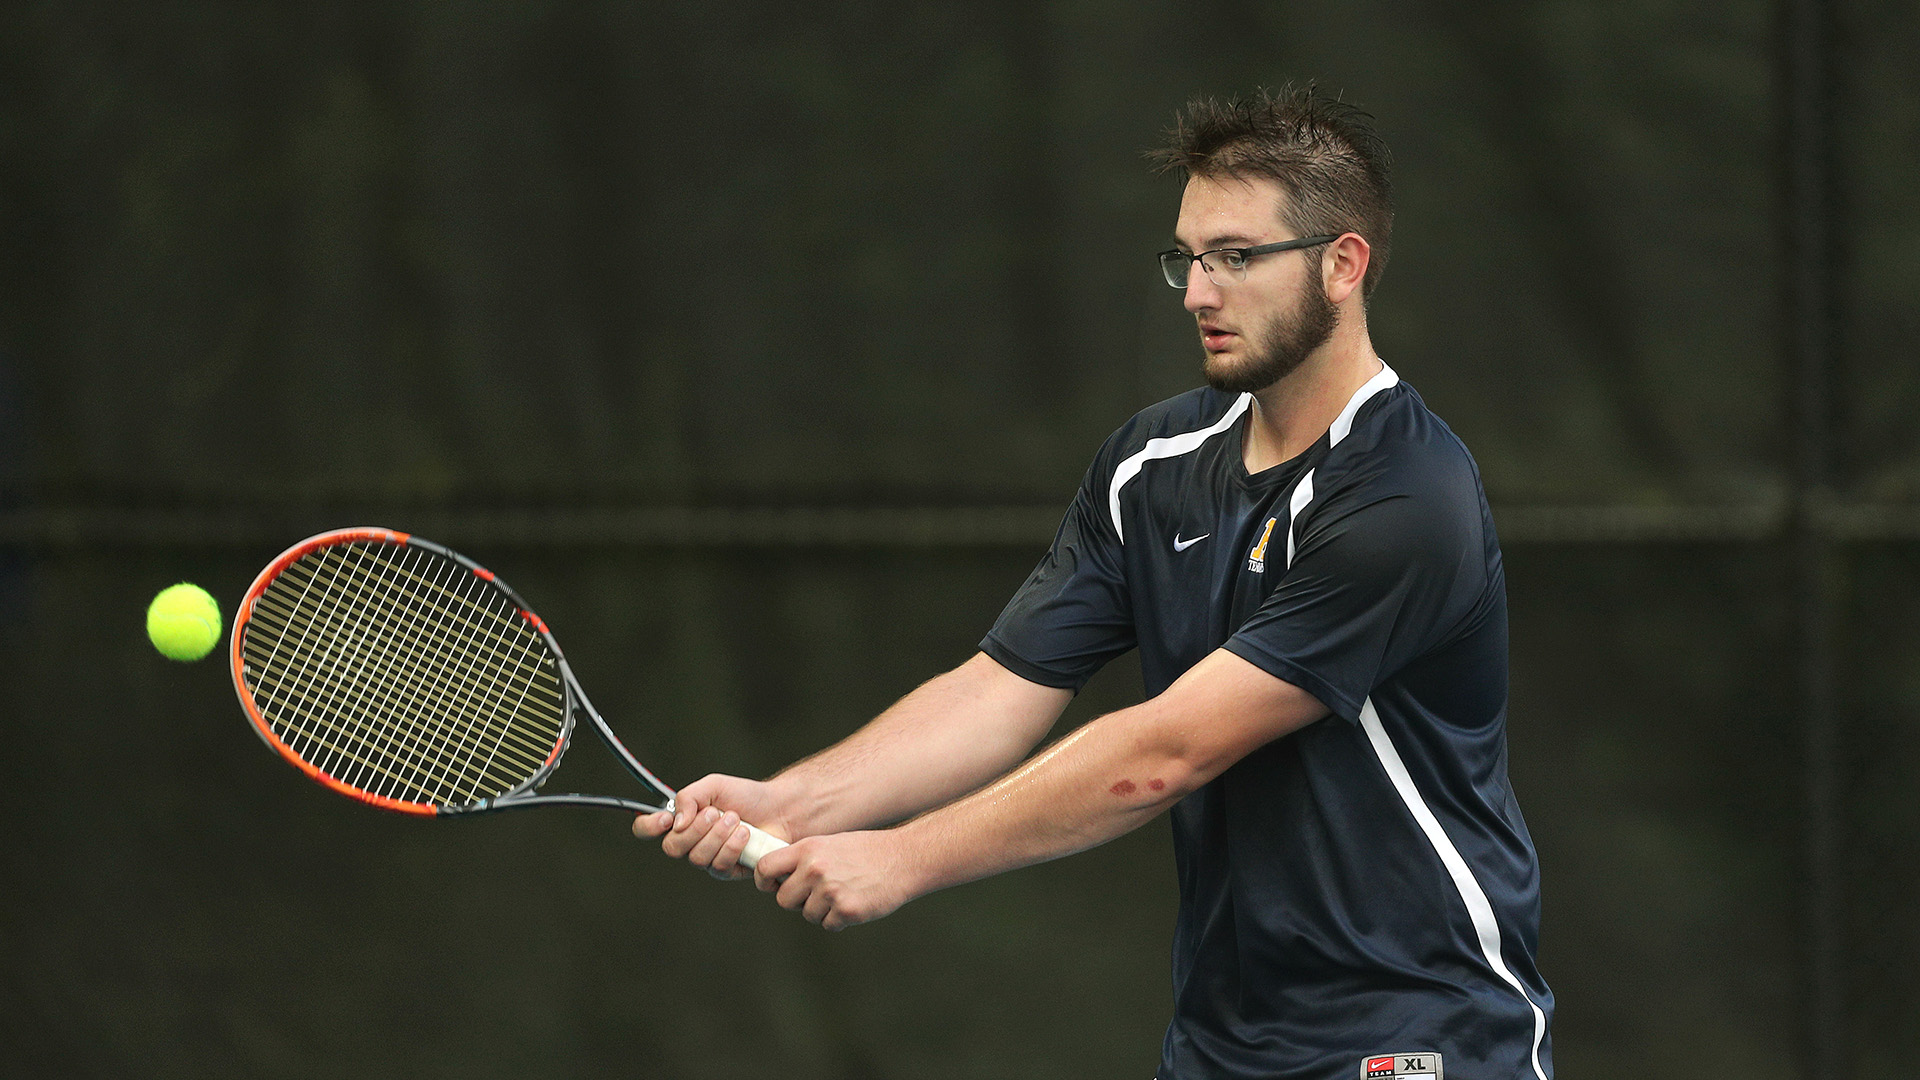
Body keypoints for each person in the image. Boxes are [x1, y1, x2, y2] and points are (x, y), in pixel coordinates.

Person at [635, 85, 1553, 1080]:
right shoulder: (1150, 465)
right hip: (1223, 1041)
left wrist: (904, 858)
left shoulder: (1405, 498)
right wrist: (798, 803)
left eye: (1237, 257)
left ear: (1342, 265)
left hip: (1422, 1033)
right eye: (1189, 258)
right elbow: (998, 690)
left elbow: (1171, 750)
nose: (1200, 292)